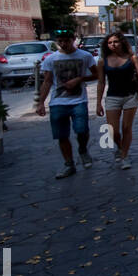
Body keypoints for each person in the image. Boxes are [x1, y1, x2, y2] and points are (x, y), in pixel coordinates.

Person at [35, 28, 99, 179]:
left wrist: (80, 79)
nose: (63, 44)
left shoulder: (85, 56)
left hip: (78, 100)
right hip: (58, 102)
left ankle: (83, 150)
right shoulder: (51, 59)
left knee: (82, 130)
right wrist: (40, 103)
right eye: (60, 41)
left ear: (73, 40)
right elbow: (47, 81)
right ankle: (69, 164)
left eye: (66, 41)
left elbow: (97, 74)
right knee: (61, 135)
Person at [95, 30, 138, 170]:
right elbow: (101, 82)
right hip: (112, 97)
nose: (113, 44)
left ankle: (124, 156)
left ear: (122, 42)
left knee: (126, 127)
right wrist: (98, 103)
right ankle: (120, 147)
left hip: (130, 96)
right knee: (112, 130)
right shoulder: (103, 61)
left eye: (115, 41)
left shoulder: (132, 58)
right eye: (110, 42)